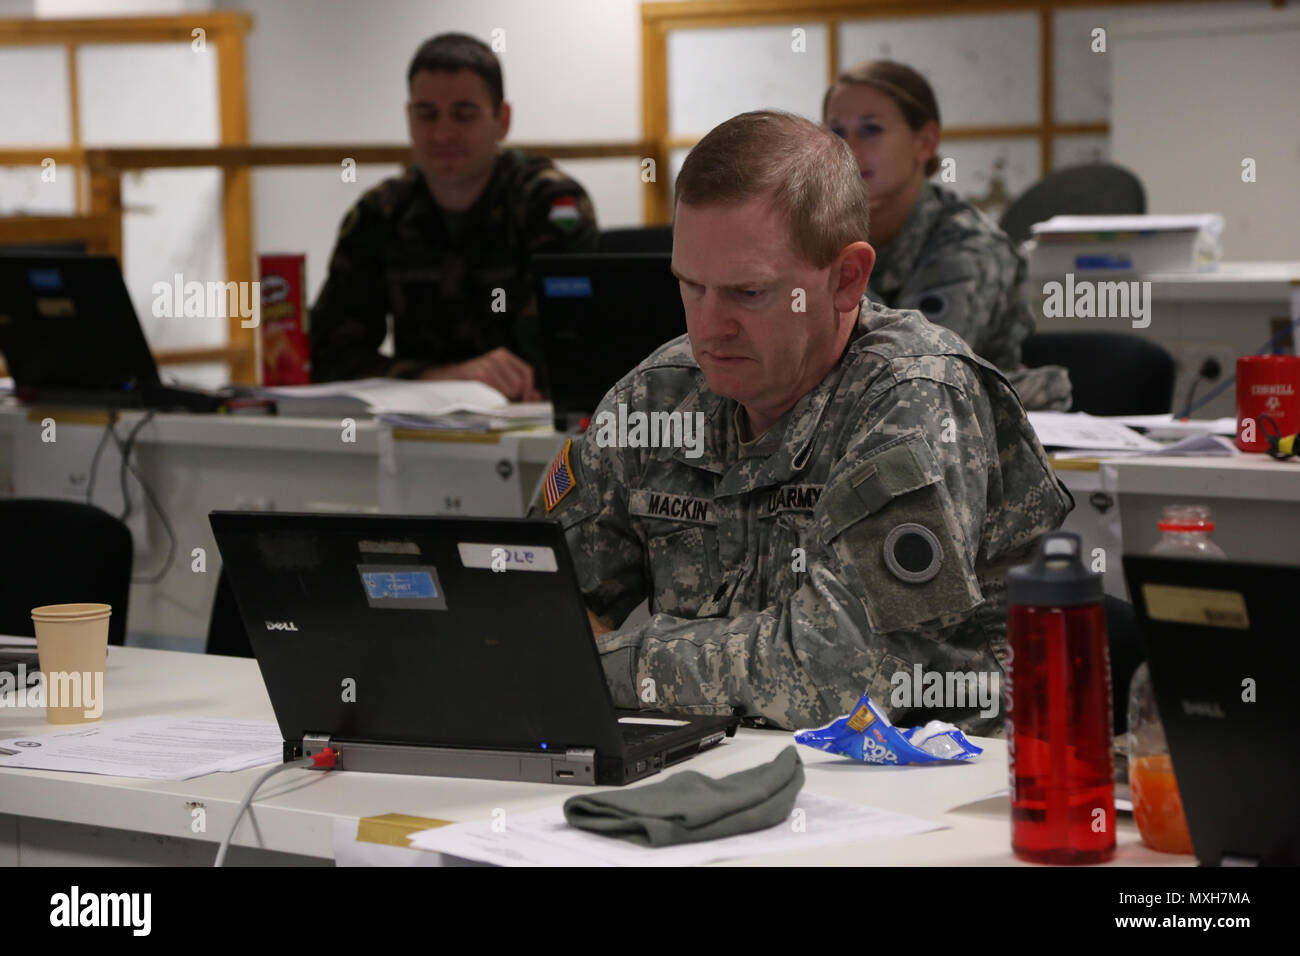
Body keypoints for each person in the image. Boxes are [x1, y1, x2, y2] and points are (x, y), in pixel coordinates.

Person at [528, 110, 1072, 736]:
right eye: (691, 286)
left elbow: (838, 678)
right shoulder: (659, 397)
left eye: (748, 292)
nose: (709, 328)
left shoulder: (915, 398)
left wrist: (605, 663)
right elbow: (523, 606)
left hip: (930, 776)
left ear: (847, 279)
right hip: (728, 764)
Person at [310, 33, 598, 398]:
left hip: (529, 419)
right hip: (415, 421)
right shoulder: (381, 212)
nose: (443, 133)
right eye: (426, 114)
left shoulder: (548, 204)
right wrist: (444, 378)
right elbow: (328, 355)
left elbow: (574, 347)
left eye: (464, 114)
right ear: (409, 119)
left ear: (502, 119)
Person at [824, 60, 1070, 411]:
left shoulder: (971, 246)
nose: (849, 148)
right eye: (836, 131)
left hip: (954, 425)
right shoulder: (821, 232)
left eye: (871, 129)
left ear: (925, 143)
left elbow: (917, 368)